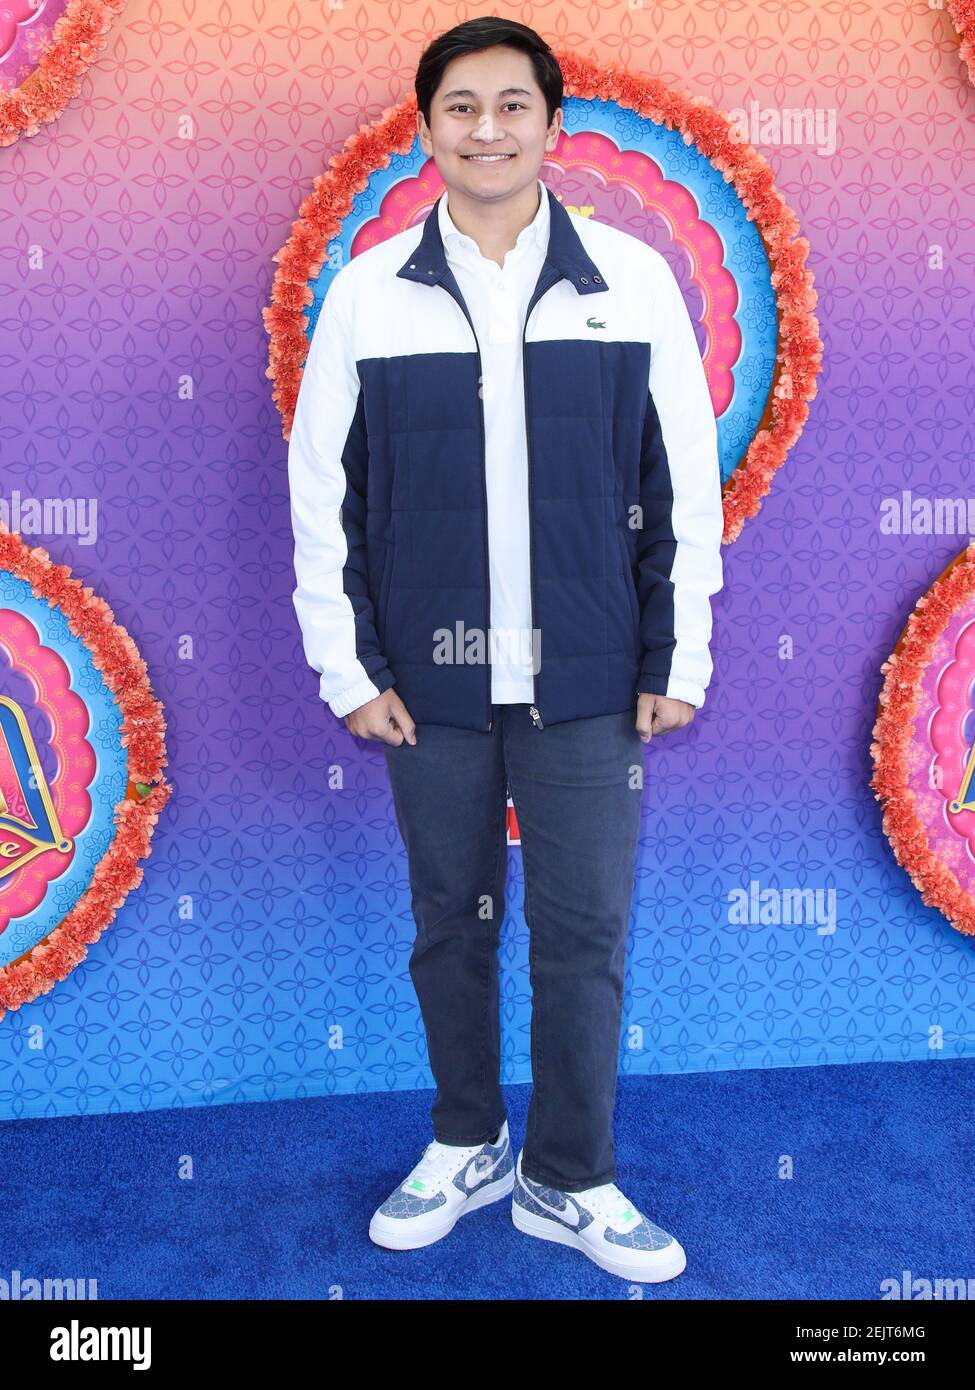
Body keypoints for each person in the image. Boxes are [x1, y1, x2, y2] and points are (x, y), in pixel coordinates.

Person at [286, 16, 724, 1284]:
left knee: (585, 928)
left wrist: (674, 654)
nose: (488, 128)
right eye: (462, 106)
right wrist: (348, 669)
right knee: (450, 921)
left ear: (552, 125)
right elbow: (326, 493)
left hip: (589, 677)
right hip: (431, 682)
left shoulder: (630, 281)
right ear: (425, 130)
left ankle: (569, 1174)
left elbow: (679, 481)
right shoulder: (370, 293)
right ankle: (468, 1140)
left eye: (513, 105)